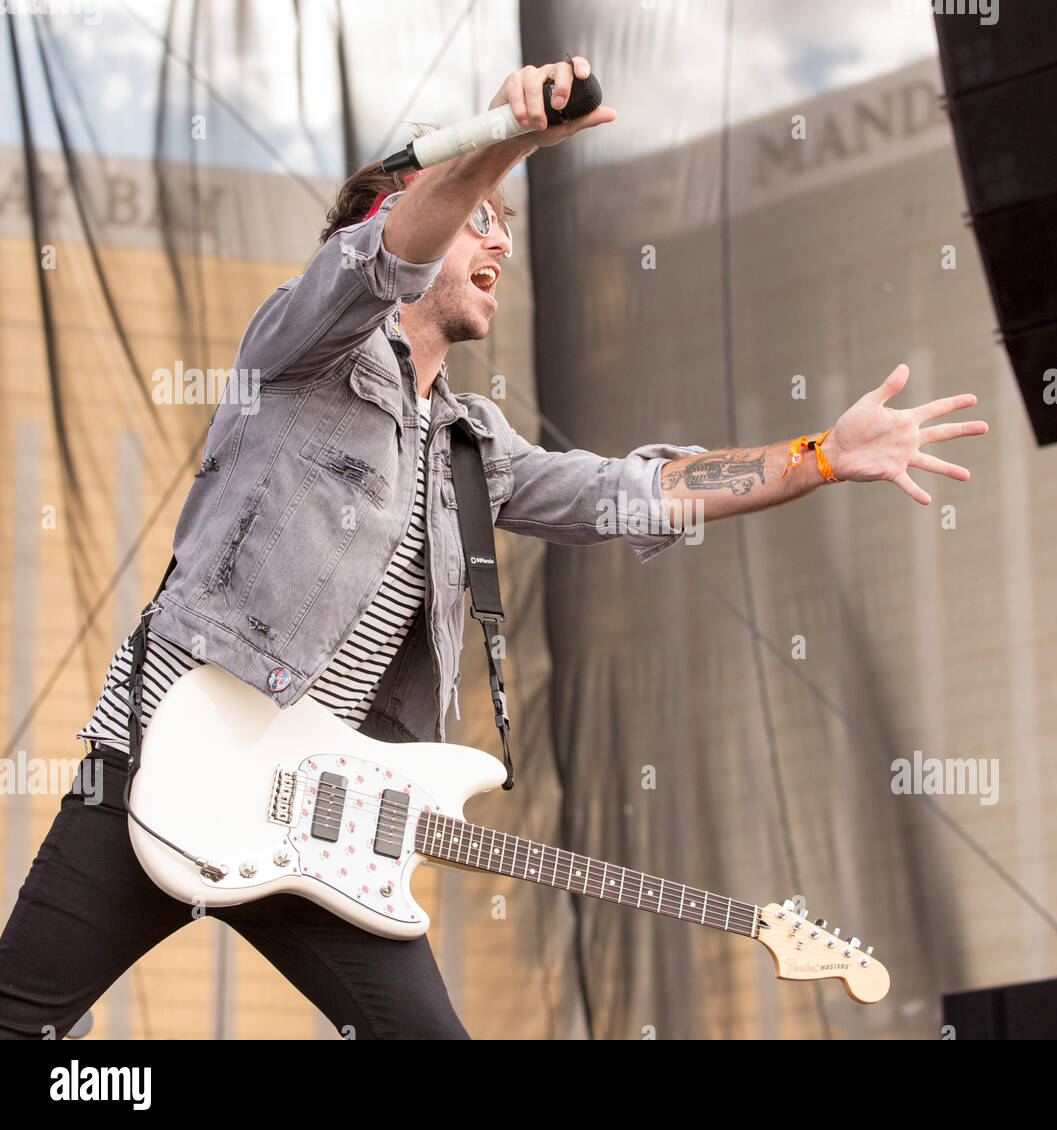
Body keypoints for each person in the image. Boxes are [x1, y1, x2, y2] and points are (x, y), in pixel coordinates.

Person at [0, 57, 987, 1040]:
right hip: (166, 756)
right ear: (406, 213)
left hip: (319, 822)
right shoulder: (301, 345)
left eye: (507, 222)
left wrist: (820, 455)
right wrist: (508, 136)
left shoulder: (471, 445)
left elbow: (626, 493)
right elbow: (382, 258)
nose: (502, 242)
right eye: (482, 217)